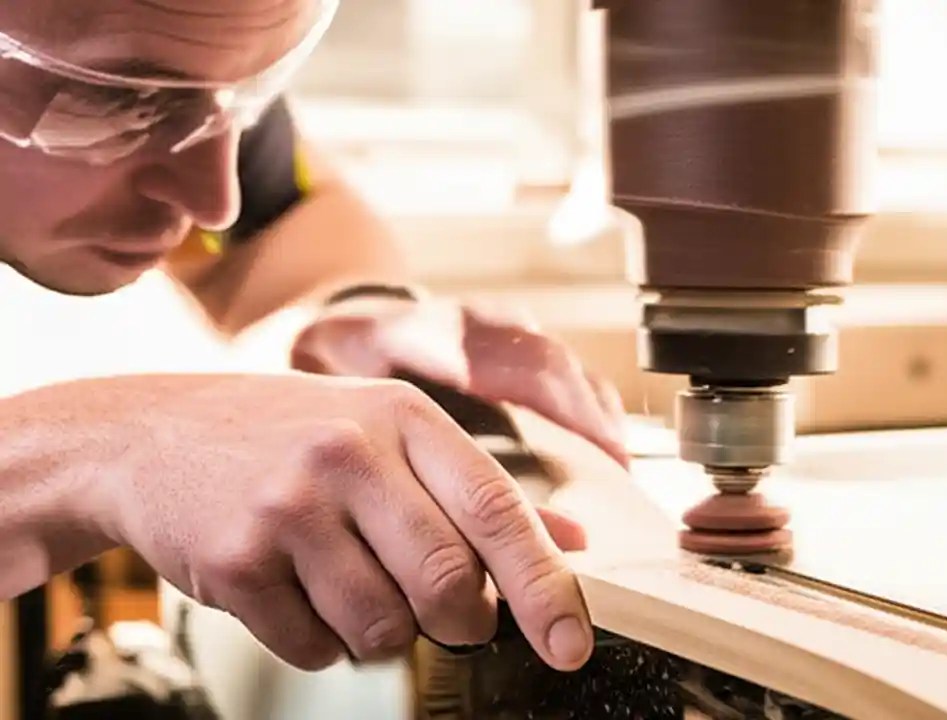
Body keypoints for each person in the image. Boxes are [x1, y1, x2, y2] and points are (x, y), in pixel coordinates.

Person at [0, 0, 629, 674]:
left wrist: (350, 316)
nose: (215, 199)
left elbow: (280, 226)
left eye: (248, 97)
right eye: (123, 106)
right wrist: (104, 449)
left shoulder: (173, 53)